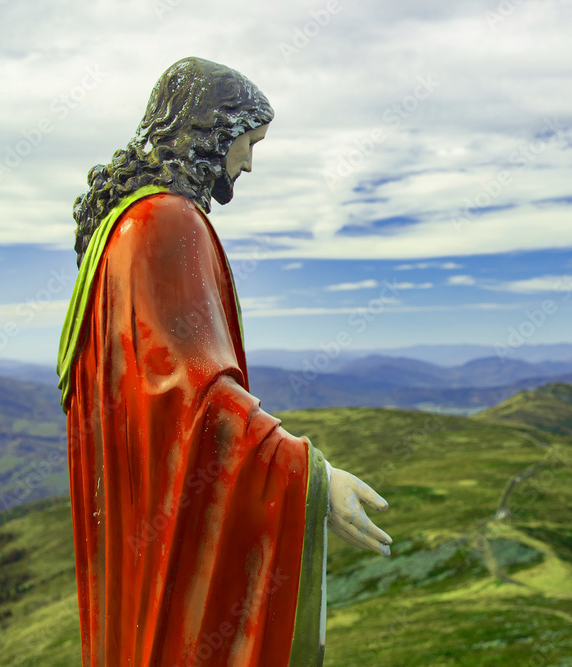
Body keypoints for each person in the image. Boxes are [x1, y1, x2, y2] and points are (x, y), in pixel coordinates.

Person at [56, 56, 392, 667]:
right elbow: (196, 399)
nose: (248, 163)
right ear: (210, 133)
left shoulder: (123, 225)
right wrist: (314, 478)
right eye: (247, 143)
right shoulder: (166, 221)